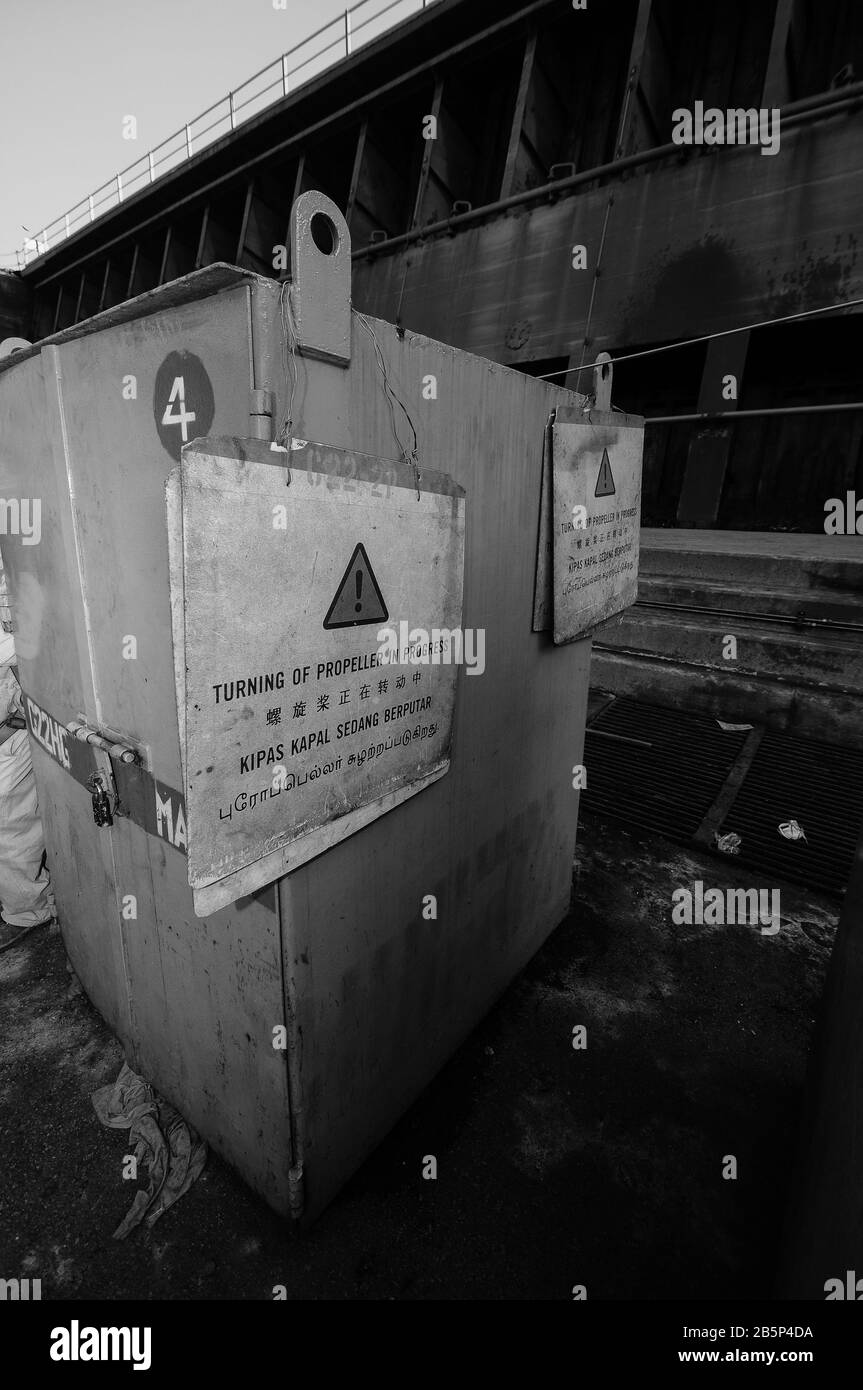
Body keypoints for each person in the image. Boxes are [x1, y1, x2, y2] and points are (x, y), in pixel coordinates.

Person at [0, 628, 56, 932]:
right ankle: (30, 910)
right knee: (13, 827)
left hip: (13, 723)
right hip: (9, 733)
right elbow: (19, 647)